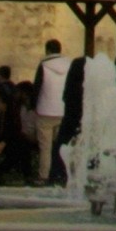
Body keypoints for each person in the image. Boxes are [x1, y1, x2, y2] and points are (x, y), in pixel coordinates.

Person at [34, 40, 72, 181]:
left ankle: (43, 176)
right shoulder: (69, 64)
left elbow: (37, 88)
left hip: (45, 111)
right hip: (62, 110)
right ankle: (61, 174)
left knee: (45, 147)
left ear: (48, 50)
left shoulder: (43, 65)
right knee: (60, 146)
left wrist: (33, 106)